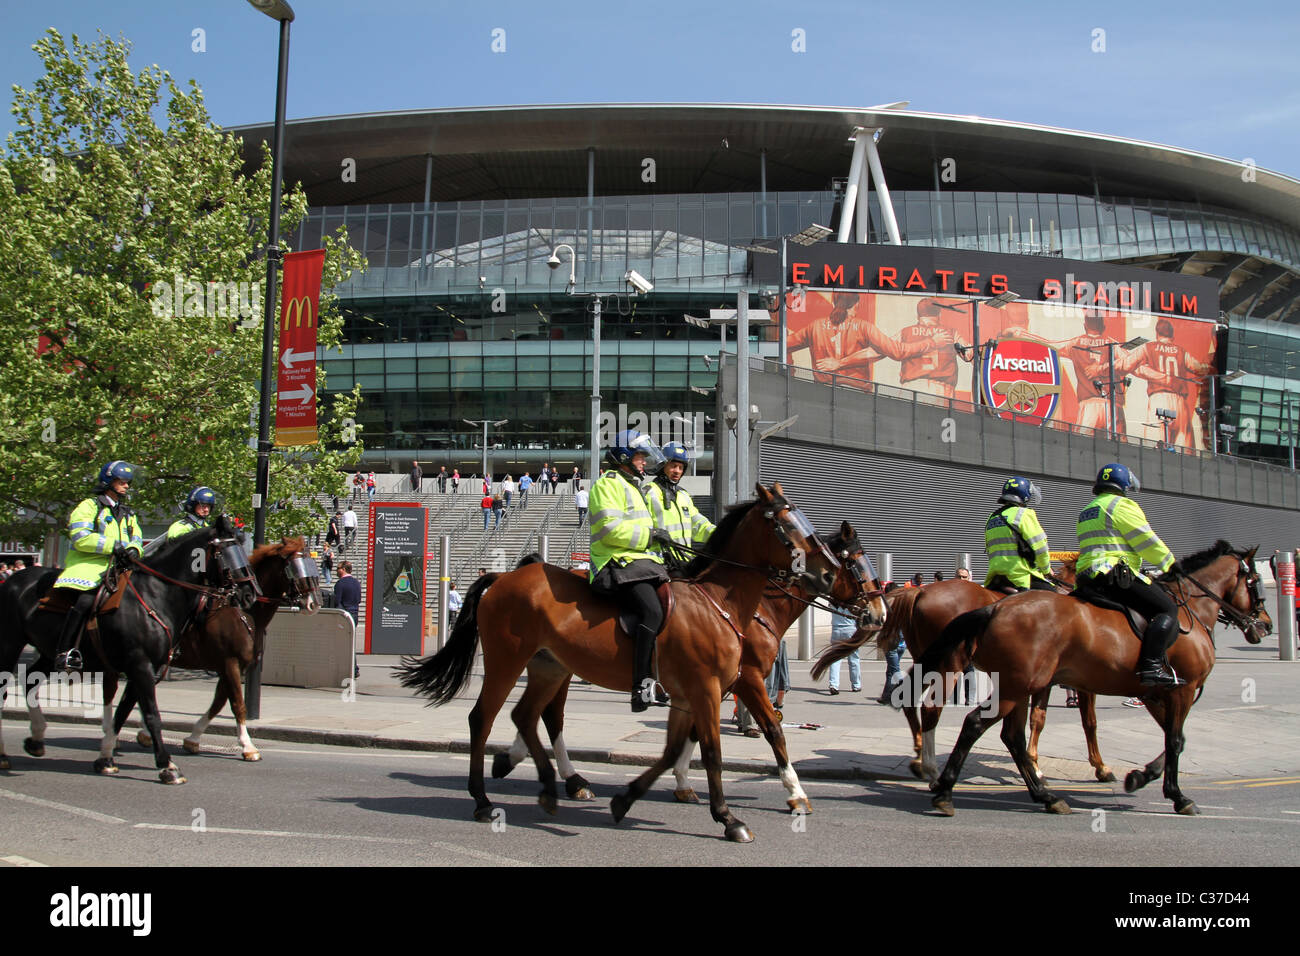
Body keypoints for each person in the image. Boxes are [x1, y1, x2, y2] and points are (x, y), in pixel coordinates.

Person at [1076, 463, 1184, 688]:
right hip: (1113, 574)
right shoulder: (1122, 505)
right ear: (1124, 484)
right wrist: (1170, 563)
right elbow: (1145, 540)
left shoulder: (1087, 510)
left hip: (1087, 576)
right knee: (1167, 609)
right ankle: (1152, 667)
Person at [588, 429, 670, 712]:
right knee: (652, 611)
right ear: (624, 456)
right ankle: (641, 686)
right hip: (613, 562)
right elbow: (610, 530)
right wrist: (650, 535)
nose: (644, 462)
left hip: (638, 561)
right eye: (639, 456)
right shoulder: (607, 484)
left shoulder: (634, 486)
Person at [48, 460, 144, 671]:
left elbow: (137, 537)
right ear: (109, 481)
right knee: (85, 601)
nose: (127, 486)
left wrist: (134, 550)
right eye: (123, 481)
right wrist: (114, 546)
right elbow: (80, 537)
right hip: (88, 567)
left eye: (128, 482)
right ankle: (65, 653)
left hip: (119, 568)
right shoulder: (89, 506)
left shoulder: (128, 513)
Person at [643, 441, 714, 571]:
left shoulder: (684, 495)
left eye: (681, 468)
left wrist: (721, 534)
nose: (677, 471)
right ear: (662, 465)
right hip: (660, 564)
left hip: (684, 563)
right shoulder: (649, 493)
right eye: (673, 466)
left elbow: (698, 525)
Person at [984, 476, 1055, 593]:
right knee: (1056, 598)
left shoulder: (992, 518)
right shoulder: (1023, 514)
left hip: (994, 578)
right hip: (1019, 576)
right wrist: (1046, 570)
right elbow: (1040, 546)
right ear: (1024, 495)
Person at [334, 560, 362, 678]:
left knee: (341, 642)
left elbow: (337, 602)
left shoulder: (340, 583)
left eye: (338, 568)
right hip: (354, 614)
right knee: (351, 642)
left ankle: (345, 668)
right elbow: (359, 599)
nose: (336, 570)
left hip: (344, 615)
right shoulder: (356, 583)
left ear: (344, 569)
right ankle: (354, 669)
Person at [826, 607, 861, 695]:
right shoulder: (850, 603)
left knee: (835, 659)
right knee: (854, 659)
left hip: (836, 628)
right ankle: (856, 684)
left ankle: (833, 685)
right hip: (850, 629)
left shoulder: (833, 603)